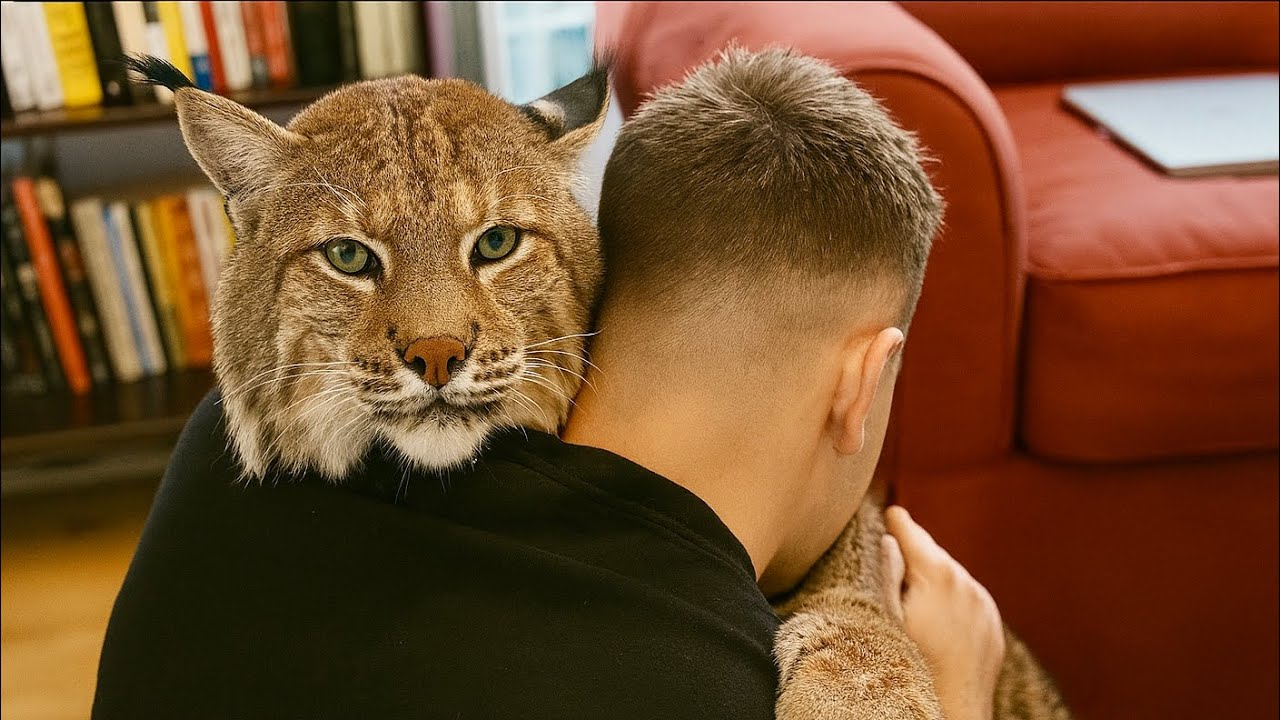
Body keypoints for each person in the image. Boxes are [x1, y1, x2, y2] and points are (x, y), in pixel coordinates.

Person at [93, 48, 1002, 720]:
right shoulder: (690, 684)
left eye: (495, 246)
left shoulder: (201, 471)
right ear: (866, 382)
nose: (434, 342)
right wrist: (958, 703)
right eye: (348, 257)